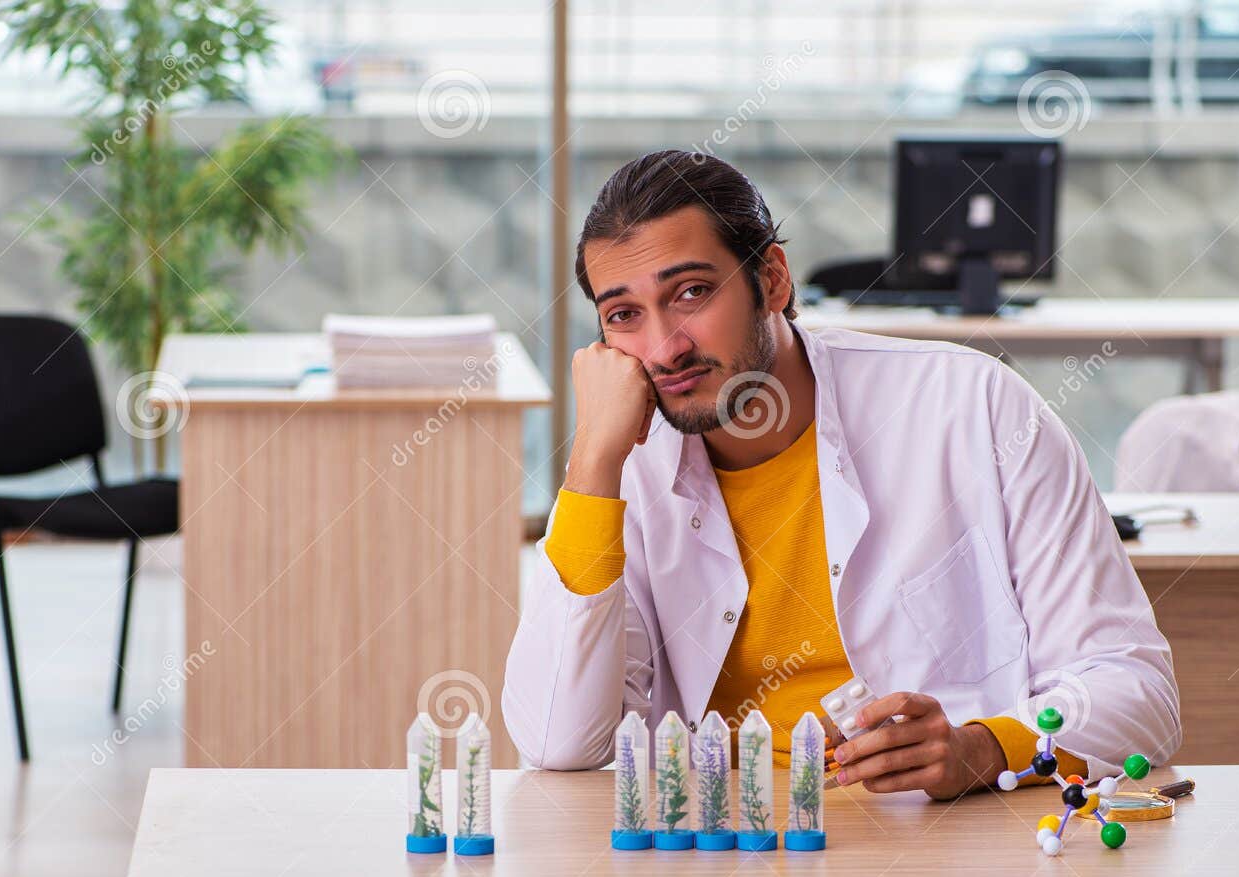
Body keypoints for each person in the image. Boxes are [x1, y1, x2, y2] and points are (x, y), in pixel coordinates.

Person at [502, 149, 1180, 800]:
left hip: (934, 848)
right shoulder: (623, 465)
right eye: (624, 315)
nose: (663, 347)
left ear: (772, 279)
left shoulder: (970, 405)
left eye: (691, 293)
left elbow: (1135, 689)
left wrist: (983, 749)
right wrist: (592, 461)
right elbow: (558, 741)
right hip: (713, 844)